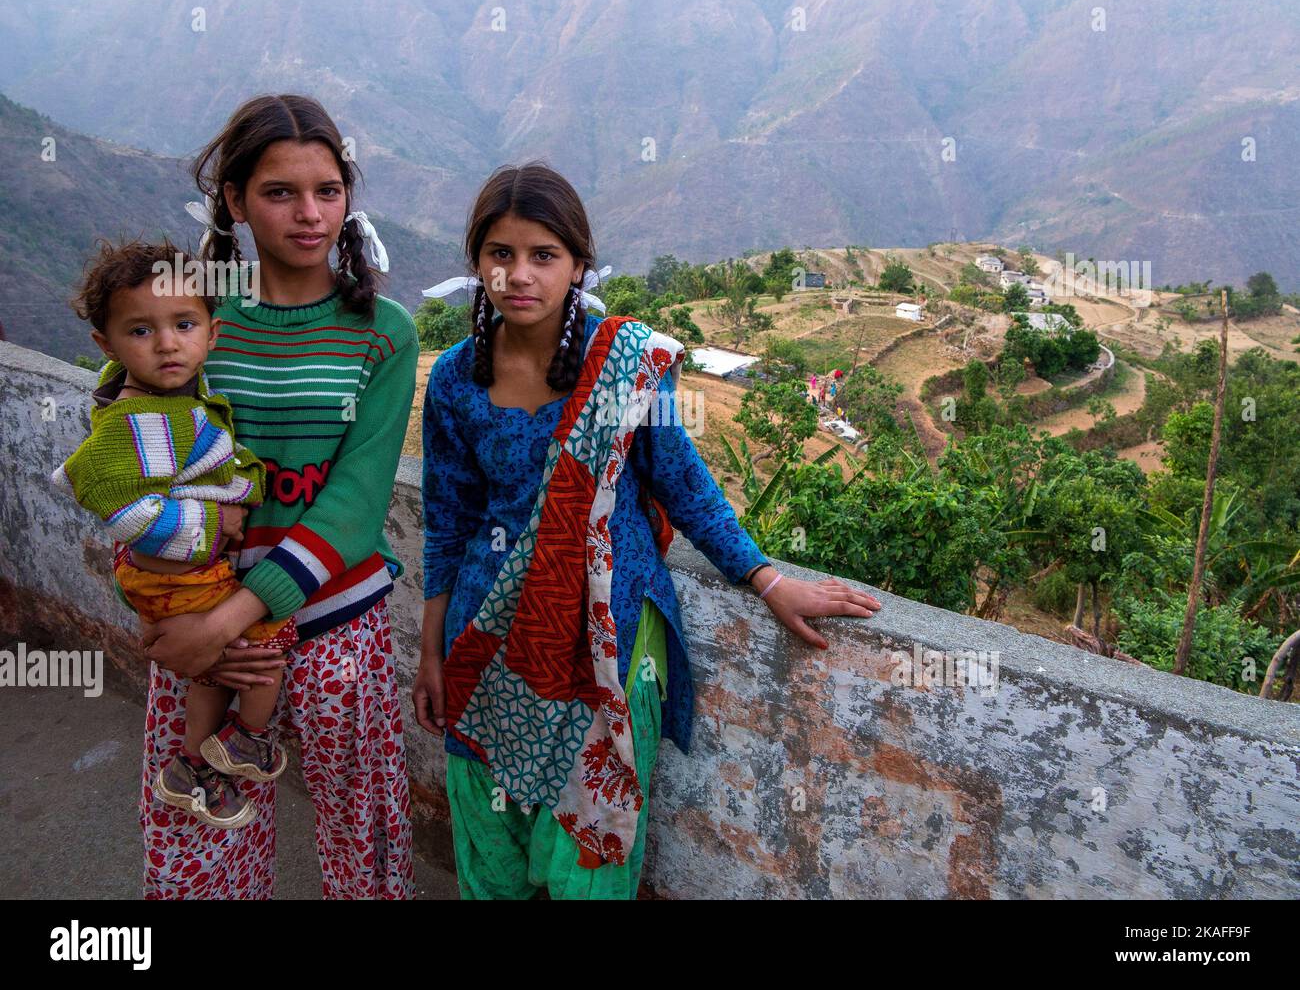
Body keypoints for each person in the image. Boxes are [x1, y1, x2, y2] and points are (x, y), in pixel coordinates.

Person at [414, 161, 881, 899]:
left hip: (612, 633)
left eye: (543, 255)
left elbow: (683, 483)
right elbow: (446, 520)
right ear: (477, 263)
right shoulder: (455, 380)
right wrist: (432, 648)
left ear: (577, 265)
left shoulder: (625, 367)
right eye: (500, 254)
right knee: (489, 857)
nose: (519, 274)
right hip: (488, 637)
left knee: (587, 869)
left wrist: (766, 577)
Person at [131, 94, 418, 899]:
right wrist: (169, 609)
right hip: (198, 622)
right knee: (198, 828)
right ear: (233, 201)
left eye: (328, 191)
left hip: (328, 626)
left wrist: (221, 625)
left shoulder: (383, 330)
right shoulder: (193, 319)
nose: (310, 214)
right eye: (280, 193)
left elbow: (354, 505)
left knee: (363, 836)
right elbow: (134, 446)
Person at [55, 239, 296, 831]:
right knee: (265, 650)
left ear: (211, 334)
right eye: (141, 331)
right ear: (106, 345)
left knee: (214, 667)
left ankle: (193, 765)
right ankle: (241, 743)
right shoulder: (139, 422)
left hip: (181, 575)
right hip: (178, 576)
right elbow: (124, 511)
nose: (167, 344)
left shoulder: (162, 395)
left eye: (183, 324)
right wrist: (219, 521)